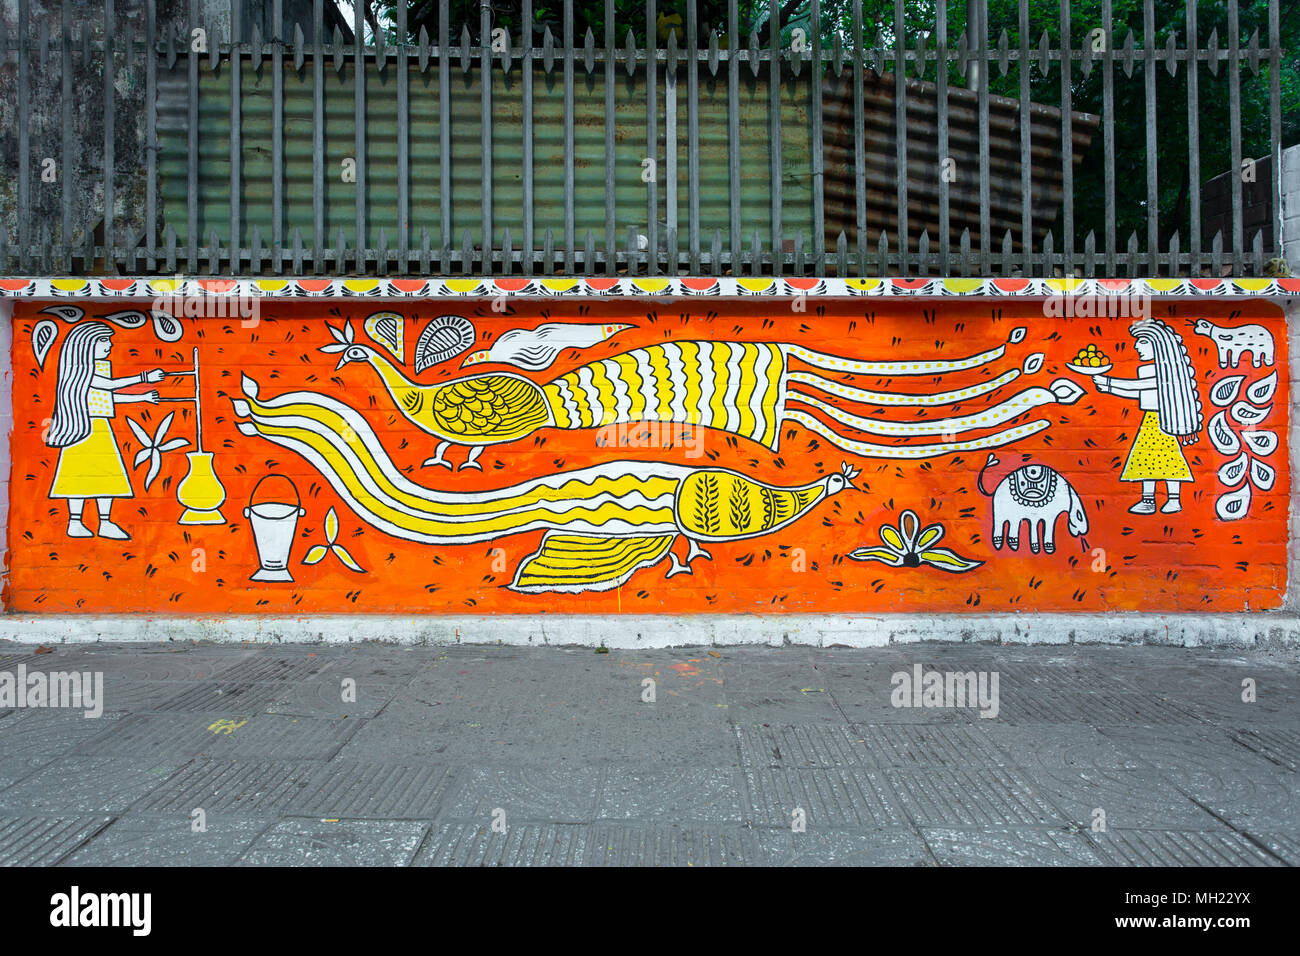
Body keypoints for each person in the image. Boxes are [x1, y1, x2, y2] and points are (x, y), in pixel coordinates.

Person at [46, 322, 164, 539]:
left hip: (100, 426)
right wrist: (144, 378)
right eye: (104, 341)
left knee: (107, 476)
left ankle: (104, 522)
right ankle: (75, 521)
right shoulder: (79, 370)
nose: (109, 345)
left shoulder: (97, 367)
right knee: (77, 477)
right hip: (83, 429)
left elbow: (105, 397)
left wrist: (141, 397)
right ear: (86, 345)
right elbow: (108, 385)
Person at [1094, 318, 1203, 514]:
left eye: (1143, 342)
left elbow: (1142, 385)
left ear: (1159, 345)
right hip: (1149, 420)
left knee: (1169, 460)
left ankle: (1173, 500)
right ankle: (1148, 500)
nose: (1136, 347)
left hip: (1164, 421)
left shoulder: (1167, 371)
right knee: (1145, 459)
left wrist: (1110, 382)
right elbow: (1139, 392)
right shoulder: (1146, 369)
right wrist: (1108, 388)